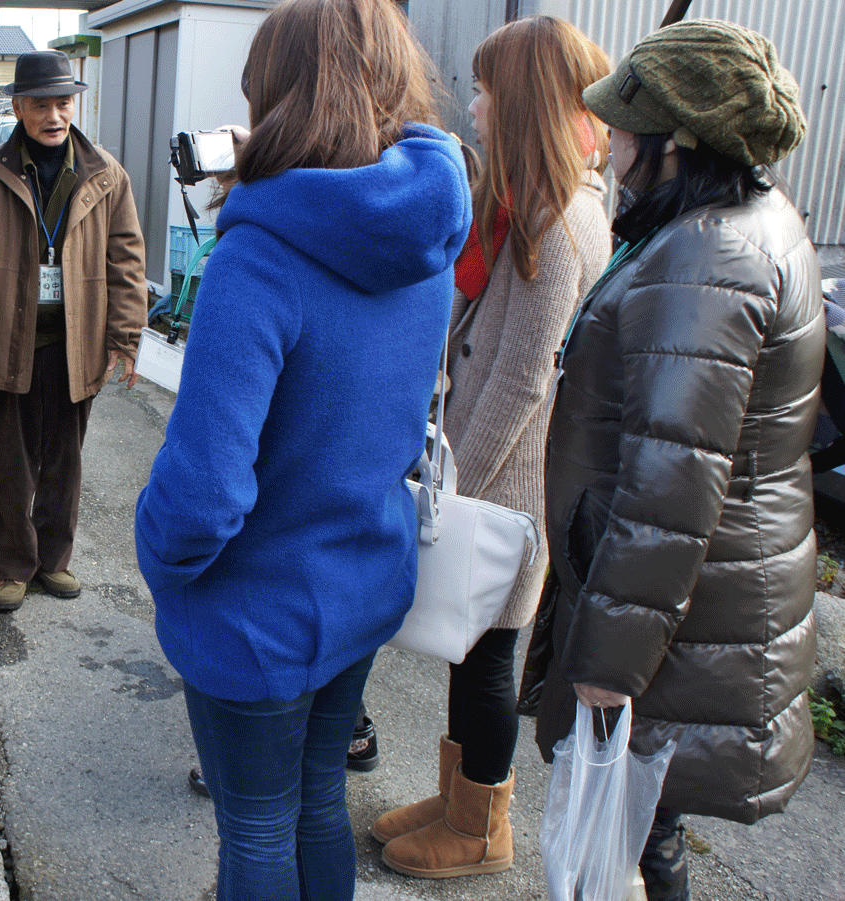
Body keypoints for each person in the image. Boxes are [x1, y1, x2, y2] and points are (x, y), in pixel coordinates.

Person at [134, 0, 471, 897]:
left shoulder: (259, 256)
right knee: (319, 800)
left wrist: (160, 563)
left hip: (256, 611)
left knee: (252, 829)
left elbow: (202, 494)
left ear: (279, 99)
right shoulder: (423, 237)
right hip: (362, 577)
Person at [530, 20, 818, 901]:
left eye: (623, 128)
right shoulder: (748, 220)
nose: (608, 145)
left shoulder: (703, 259)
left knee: (637, 840)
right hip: (701, 607)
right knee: (649, 831)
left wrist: (605, 667)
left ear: (677, 142)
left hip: (668, 624)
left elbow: (668, 493)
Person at [372, 16, 612, 880]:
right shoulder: (528, 205)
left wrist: (454, 482)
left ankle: (479, 827)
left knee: (485, 658)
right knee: (467, 644)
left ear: (525, 104)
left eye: (483, 90)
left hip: (503, 482)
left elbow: (521, 376)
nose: (470, 106)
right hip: (492, 471)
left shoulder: (557, 219)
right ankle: (459, 795)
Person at [0, 50, 145, 613]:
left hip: (76, 345)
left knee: (65, 462)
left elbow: (126, 261)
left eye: (63, 102)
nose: (54, 115)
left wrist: (125, 338)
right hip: (6, 344)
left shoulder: (107, 175)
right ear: (18, 106)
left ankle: (53, 562)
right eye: (41, 103)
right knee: (11, 467)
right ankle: (14, 567)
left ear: (74, 104)